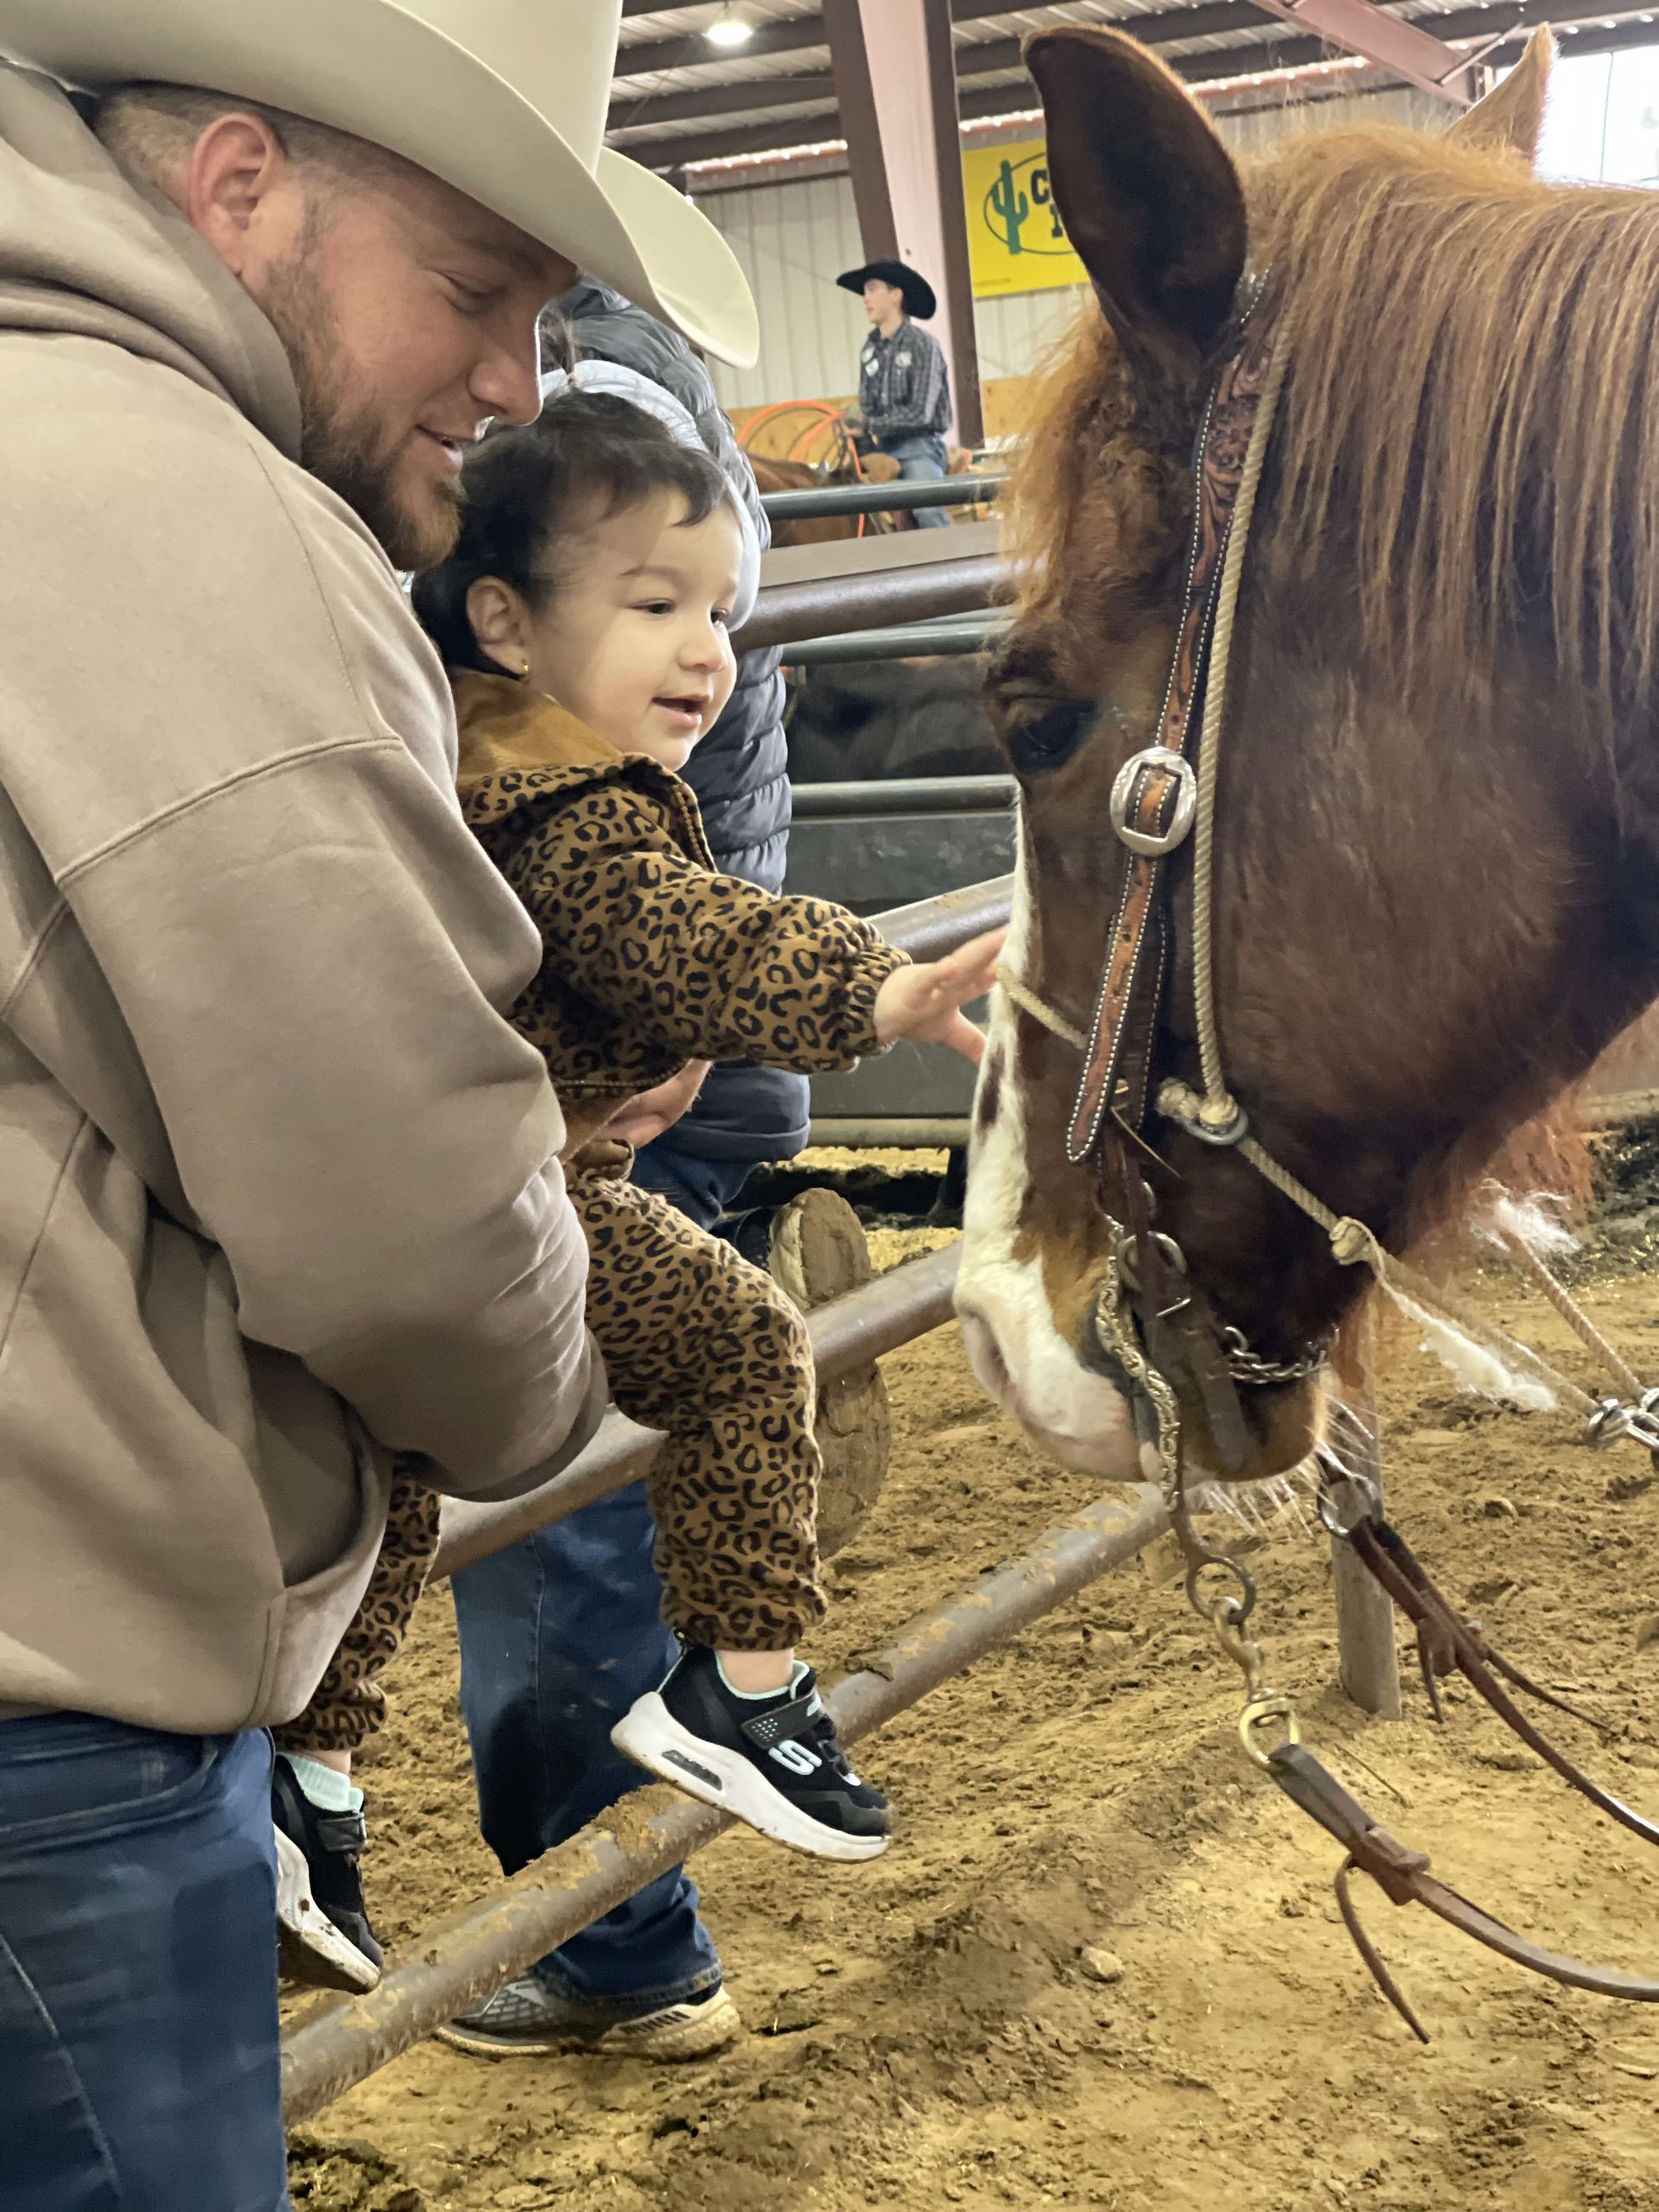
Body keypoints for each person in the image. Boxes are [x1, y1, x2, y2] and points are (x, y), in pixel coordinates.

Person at [0, 0, 756, 2202]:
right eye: (475, 287)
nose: (521, 377)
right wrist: (532, 1355)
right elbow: (401, 1213)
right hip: (52, 1706)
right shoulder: (172, 505)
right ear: (243, 185)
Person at [401, 387, 1001, 2049]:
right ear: (508, 619)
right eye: (656, 604)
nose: (707, 647)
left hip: (501, 1166)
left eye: (725, 611)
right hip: (531, 1190)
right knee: (659, 1422)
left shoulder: (463, 740)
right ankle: (727, 1727)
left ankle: (324, 1785)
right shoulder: (571, 802)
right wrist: (871, 986)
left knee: (403, 1483)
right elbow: (677, 930)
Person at [837, 257, 954, 528]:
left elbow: (921, 414)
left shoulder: (923, 344)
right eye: (864, 292)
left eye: (873, 289)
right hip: (879, 447)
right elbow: (867, 404)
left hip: (920, 448)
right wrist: (856, 427)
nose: (866, 298)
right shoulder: (870, 348)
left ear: (896, 295)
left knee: (927, 509)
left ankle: (948, 560)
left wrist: (869, 422)